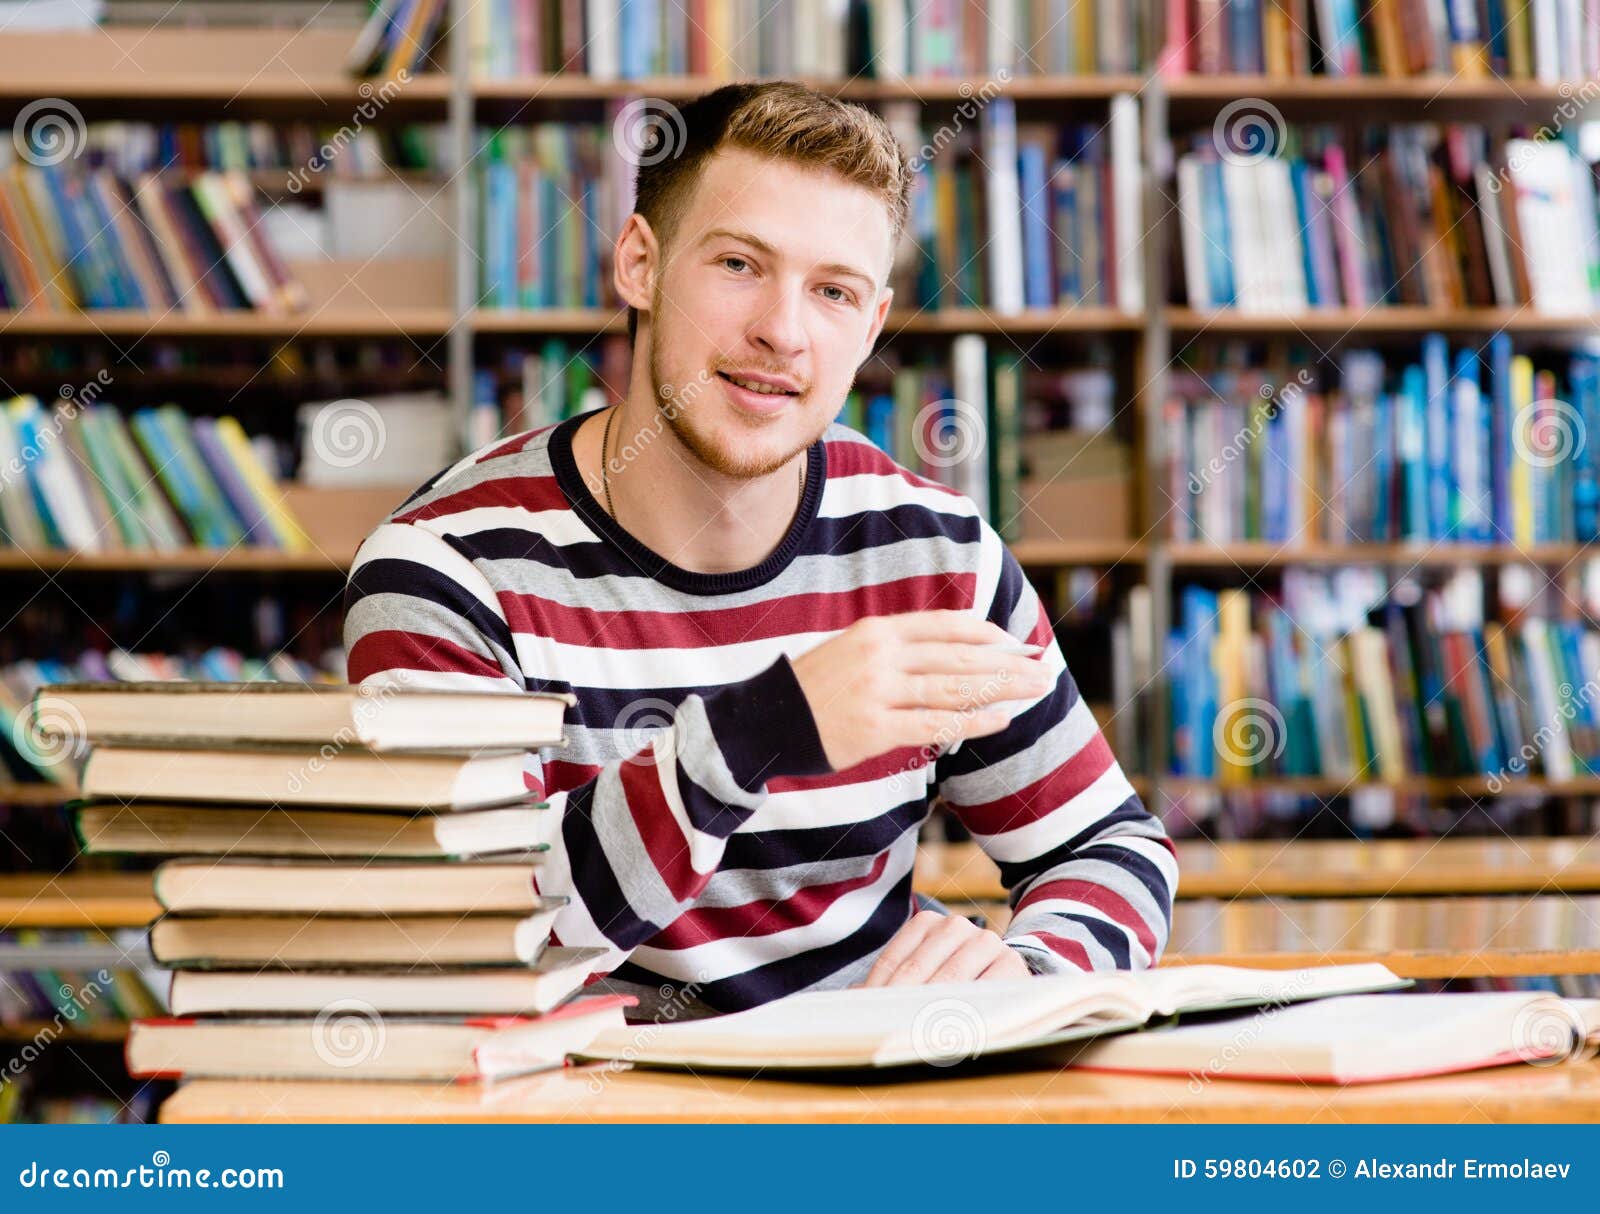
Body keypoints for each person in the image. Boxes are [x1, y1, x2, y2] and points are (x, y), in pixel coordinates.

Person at [343, 81, 1175, 1020]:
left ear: (870, 325)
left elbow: (1108, 846)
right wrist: (757, 732)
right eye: (740, 264)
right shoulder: (447, 571)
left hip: (864, 1120)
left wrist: (1031, 970)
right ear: (639, 264)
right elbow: (466, 930)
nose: (782, 331)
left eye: (833, 291)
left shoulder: (935, 559)